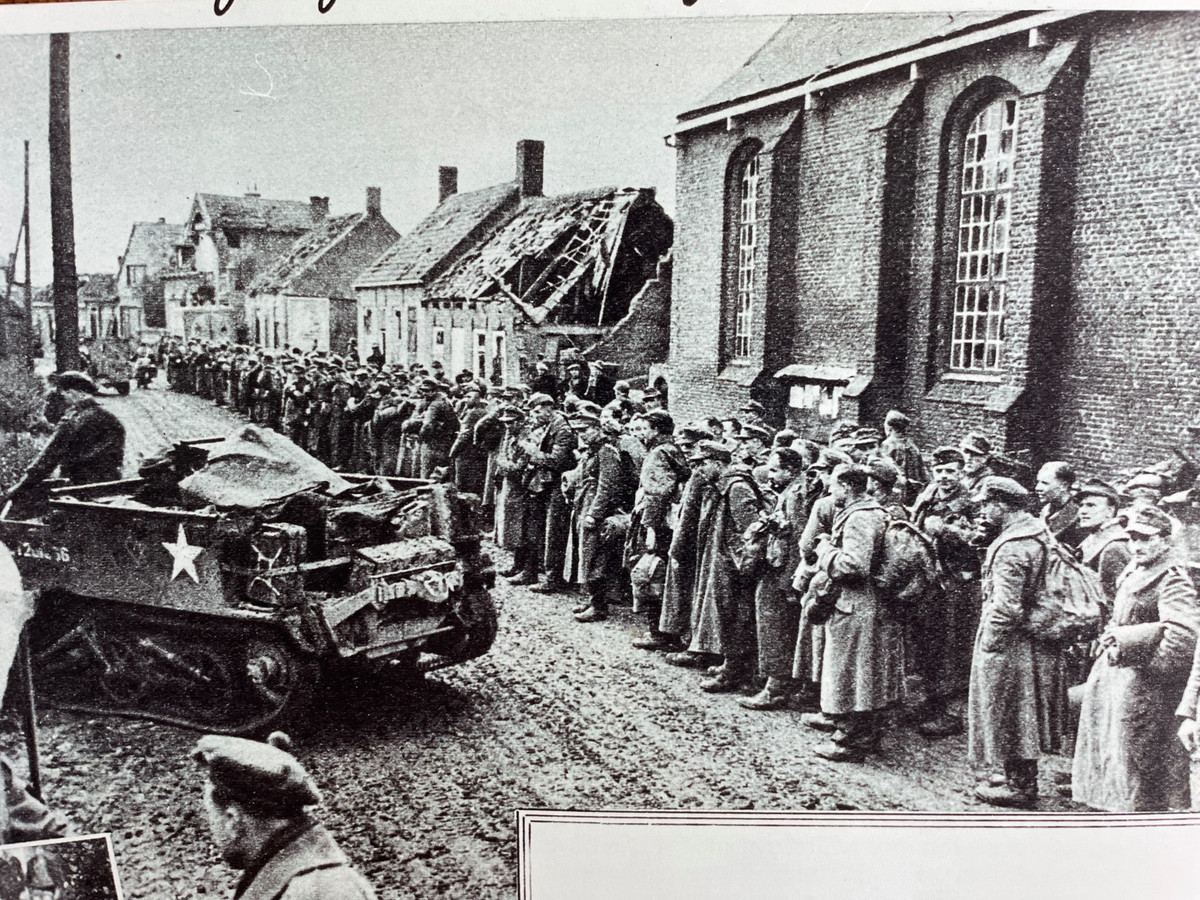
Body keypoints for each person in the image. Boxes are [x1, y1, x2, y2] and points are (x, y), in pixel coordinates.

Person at [1073, 505, 1200, 811]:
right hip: (1115, 672)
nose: (1137, 546)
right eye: (1132, 538)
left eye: (1146, 538)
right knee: (1109, 751)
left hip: (1140, 684)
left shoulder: (1172, 577)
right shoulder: (1136, 567)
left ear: (1166, 540)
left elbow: (1183, 637)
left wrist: (1148, 672)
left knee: (1134, 762)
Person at [966, 476, 1067, 808]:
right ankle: (1016, 777)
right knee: (1022, 712)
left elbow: (1006, 608)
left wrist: (989, 645)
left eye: (985, 504)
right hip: (1034, 639)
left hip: (1013, 644)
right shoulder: (1037, 533)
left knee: (1012, 712)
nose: (981, 511)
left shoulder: (1012, 547)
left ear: (1001, 506)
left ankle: (1021, 786)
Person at [192, 732, 376, 900]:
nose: (212, 829)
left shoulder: (317, 889)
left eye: (212, 814)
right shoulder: (301, 878)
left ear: (233, 819)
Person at [805, 463, 901, 761]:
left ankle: (852, 740)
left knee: (852, 673)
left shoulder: (860, 518)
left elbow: (853, 566)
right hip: (867, 605)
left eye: (834, 484)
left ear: (846, 486)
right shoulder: (874, 512)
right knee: (863, 674)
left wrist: (825, 552)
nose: (830, 489)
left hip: (856, 605)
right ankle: (858, 734)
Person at [741, 447, 808, 710]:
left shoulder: (795, 496)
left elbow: (799, 538)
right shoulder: (790, 491)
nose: (770, 474)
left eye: (775, 469)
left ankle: (776, 688)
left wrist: (791, 581)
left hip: (782, 574)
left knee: (774, 628)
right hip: (779, 570)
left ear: (790, 471)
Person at [6, 372, 125, 514]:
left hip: (78, 489)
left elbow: (47, 459)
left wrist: (18, 488)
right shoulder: (111, 418)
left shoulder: (74, 420)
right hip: (110, 487)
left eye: (64, 395)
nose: (64, 400)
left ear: (75, 392)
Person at [1035, 461, 1082, 548]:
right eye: (1038, 482)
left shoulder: (1079, 515)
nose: (1037, 488)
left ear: (1063, 486)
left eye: (1045, 483)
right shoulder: (1046, 510)